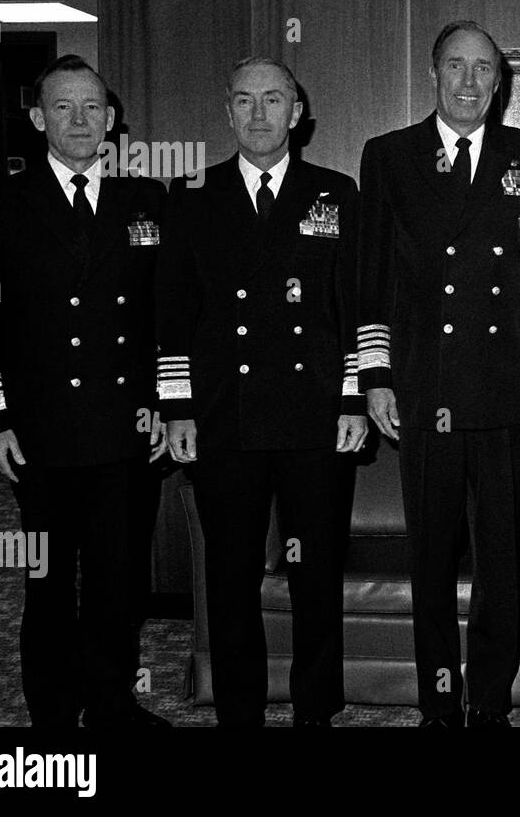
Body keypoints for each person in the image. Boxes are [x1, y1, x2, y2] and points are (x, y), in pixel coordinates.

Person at [155, 57, 367, 727]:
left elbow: (355, 309)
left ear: (297, 111)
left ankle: (314, 710)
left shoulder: (336, 194)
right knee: (231, 577)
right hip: (226, 420)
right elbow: (172, 314)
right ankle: (238, 712)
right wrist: (180, 409)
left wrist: (354, 400)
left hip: (314, 420)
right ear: (227, 112)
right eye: (244, 100)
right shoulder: (189, 195)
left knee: (315, 576)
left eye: (272, 99)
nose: (258, 114)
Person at [0, 54, 170, 728]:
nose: (79, 122)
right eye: (62, 108)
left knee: (118, 581)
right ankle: (52, 714)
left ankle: (112, 703)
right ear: (37, 118)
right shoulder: (1, 204)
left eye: (91, 109)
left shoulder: (147, 200)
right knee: (48, 581)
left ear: (111, 120)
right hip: (41, 430)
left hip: (123, 426)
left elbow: (164, 313)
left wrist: (166, 404)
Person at [357, 20, 520, 728]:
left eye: (484, 70)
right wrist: (374, 376)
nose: (470, 82)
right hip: (423, 388)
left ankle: (489, 701)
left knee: (501, 562)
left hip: (502, 390)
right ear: (433, 73)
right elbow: (370, 277)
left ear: (500, 83)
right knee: (431, 560)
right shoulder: (390, 157)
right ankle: (439, 703)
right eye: (457, 67)